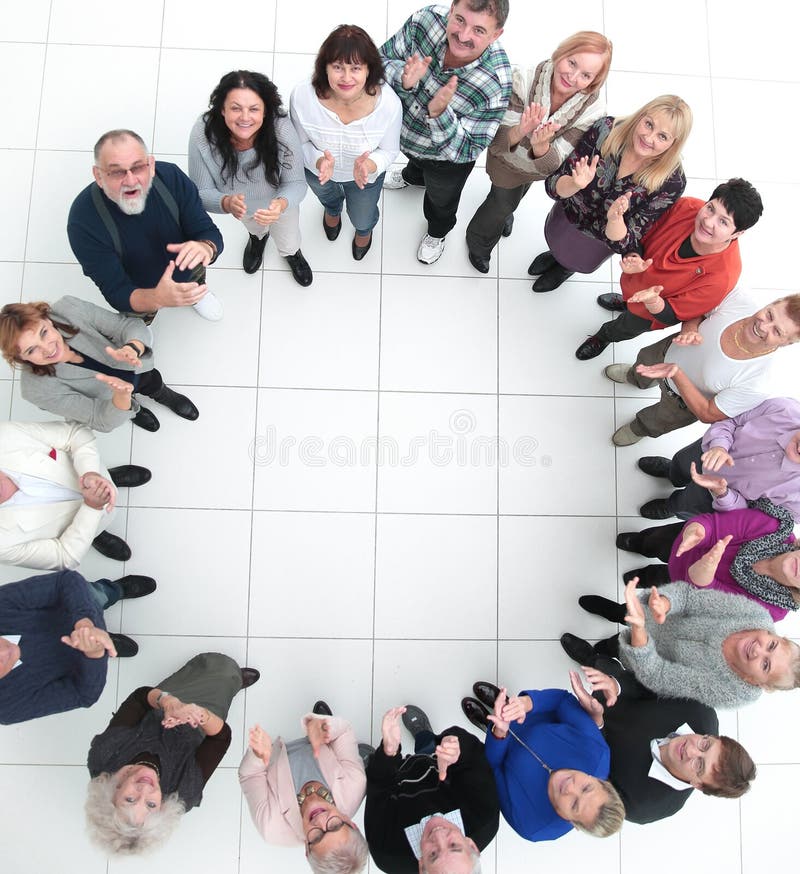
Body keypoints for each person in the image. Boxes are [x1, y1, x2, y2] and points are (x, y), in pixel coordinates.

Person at [465, 30, 613, 273]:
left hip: (535, 171)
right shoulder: (523, 79)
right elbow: (496, 141)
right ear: (561, 53)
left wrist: (540, 147)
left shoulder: (592, 111)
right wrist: (521, 130)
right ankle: (478, 243)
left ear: (594, 81)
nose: (573, 77)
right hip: (506, 163)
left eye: (586, 75)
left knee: (517, 193)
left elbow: (552, 166)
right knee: (501, 203)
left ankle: (507, 210)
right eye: (572, 63)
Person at [85, 653, 259, 855]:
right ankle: (231, 682)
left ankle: (207, 677)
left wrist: (167, 702)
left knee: (196, 675)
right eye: (151, 804)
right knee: (225, 673)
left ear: (113, 794)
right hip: (198, 726)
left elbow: (140, 698)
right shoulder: (183, 793)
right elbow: (221, 739)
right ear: (161, 808)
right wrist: (200, 715)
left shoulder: (104, 756)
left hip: (159, 707)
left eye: (130, 799)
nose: (145, 789)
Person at [380, 0, 511, 264]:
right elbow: (379, 60)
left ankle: (437, 233)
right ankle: (411, 177)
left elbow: (467, 150)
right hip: (403, 135)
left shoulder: (496, 83)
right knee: (414, 167)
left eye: (479, 30)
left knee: (441, 202)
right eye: (460, 20)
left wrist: (439, 114)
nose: (463, 36)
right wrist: (403, 78)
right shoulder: (425, 20)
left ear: (496, 34)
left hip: (444, 161)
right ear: (451, 9)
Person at [576, 178, 764, 359]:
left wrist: (653, 302)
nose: (708, 222)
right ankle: (625, 302)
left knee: (626, 326)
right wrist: (633, 256)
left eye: (723, 222)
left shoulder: (723, 277)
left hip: (652, 310)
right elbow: (641, 232)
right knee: (630, 298)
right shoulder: (686, 207)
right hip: (636, 278)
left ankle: (603, 337)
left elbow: (672, 315)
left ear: (737, 234)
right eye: (710, 208)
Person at [530, 95, 691, 293]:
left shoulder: (672, 182)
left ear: (674, 144)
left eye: (662, 136)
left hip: (598, 242)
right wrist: (574, 183)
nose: (649, 138)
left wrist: (615, 219)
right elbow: (553, 185)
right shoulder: (605, 130)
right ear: (640, 116)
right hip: (568, 216)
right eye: (649, 124)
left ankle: (565, 270)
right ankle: (555, 255)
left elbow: (627, 241)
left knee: (574, 260)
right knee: (556, 241)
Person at [566, 578, 800, 709]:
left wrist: (638, 635)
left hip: (651, 655)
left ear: (759, 683)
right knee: (627, 612)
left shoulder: (734, 693)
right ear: (777, 636)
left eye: (765, 665)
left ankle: (601, 652)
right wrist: (665, 603)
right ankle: (613, 612)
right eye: (771, 645)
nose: (758, 649)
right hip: (660, 615)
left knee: (616, 648)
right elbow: (690, 598)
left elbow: (659, 675)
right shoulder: (757, 617)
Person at [67, 129, 225, 321]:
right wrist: (157, 298)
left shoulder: (171, 177)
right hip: (138, 292)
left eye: (138, 168)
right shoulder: (82, 221)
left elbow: (206, 230)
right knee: (139, 322)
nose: (130, 180)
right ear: (99, 176)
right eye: (117, 172)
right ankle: (144, 324)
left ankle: (196, 295)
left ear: (151, 166)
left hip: (186, 269)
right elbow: (117, 290)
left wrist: (205, 247)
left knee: (195, 280)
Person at [606, 290, 800, 446]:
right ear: (772, 303)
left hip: (682, 403)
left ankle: (638, 428)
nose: (763, 327)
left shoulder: (759, 382)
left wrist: (676, 374)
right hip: (666, 351)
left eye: (777, 331)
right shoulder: (737, 298)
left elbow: (708, 414)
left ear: (788, 343)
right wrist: (690, 330)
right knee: (643, 364)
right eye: (769, 314)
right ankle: (635, 377)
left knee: (659, 420)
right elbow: (697, 308)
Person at [567, 664, 755, 823]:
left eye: (699, 765)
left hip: (580, 742)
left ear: (698, 785)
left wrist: (596, 723)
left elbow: (595, 776)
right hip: (613, 693)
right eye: (705, 745)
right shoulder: (700, 711)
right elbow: (651, 684)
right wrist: (616, 686)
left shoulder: (643, 805)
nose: (690, 749)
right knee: (600, 662)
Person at [0, 297, 198, 435]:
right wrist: (121, 397)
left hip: (134, 366)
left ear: (47, 319)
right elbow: (99, 418)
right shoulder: (36, 390)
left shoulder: (68, 309)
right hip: (109, 399)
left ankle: (162, 394)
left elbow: (127, 326)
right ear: (20, 358)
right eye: (31, 350)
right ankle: (135, 411)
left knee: (152, 382)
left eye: (43, 333)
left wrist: (133, 347)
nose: (47, 348)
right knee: (123, 408)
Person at [460, 681, 624, 842]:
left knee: (491, 740)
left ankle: (488, 724)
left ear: (573, 823)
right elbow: (562, 701)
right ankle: (509, 706)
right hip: (527, 717)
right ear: (598, 779)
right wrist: (526, 703)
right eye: (586, 787)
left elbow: (491, 772)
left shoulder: (530, 826)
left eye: (574, 804)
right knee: (513, 707)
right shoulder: (597, 752)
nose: (570, 787)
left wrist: (499, 733)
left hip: (499, 751)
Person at [189, 70, 312, 284]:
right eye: (235, 108)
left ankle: (292, 254)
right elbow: (200, 191)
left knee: (289, 237)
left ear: (265, 111)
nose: (245, 118)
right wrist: (226, 203)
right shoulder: (203, 132)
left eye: (254, 109)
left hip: (280, 204)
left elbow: (296, 183)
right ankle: (258, 239)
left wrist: (280, 204)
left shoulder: (281, 127)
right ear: (222, 109)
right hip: (240, 207)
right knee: (255, 228)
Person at [291, 25, 402, 261]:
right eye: (338, 67)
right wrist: (319, 161)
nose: (346, 78)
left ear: (369, 70)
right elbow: (298, 143)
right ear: (325, 67)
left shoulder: (389, 105)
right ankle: (333, 210)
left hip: (364, 177)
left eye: (355, 68)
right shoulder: (302, 96)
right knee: (327, 197)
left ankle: (364, 231)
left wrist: (369, 165)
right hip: (318, 171)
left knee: (363, 216)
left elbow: (390, 149)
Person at [0, 569, 148, 724]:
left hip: (77, 609)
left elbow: (64, 581)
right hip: (83, 659)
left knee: (97, 595)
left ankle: (115, 590)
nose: (3, 652)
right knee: (97, 655)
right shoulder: (6, 707)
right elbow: (84, 695)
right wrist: (95, 654)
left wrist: (84, 620)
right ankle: (105, 644)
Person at [365, 704, 499, 873]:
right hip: (437, 764)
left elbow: (377, 790)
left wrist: (387, 752)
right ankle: (424, 735)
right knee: (428, 746)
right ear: (471, 845)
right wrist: (455, 751)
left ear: (421, 866)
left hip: (396, 785)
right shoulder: (485, 817)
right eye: (454, 845)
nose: (438, 835)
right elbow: (474, 756)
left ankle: (375, 758)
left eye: (433, 854)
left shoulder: (387, 853)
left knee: (376, 768)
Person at [616, 498, 799, 622]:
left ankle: (645, 576)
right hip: (685, 542)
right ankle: (641, 543)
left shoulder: (773, 610)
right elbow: (715, 525)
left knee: (662, 579)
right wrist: (698, 531)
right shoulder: (774, 528)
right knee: (656, 541)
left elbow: (712, 602)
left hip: (686, 587)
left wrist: (704, 572)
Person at [239, 700, 369, 871]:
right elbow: (344, 731)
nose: (320, 820)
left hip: (275, 758)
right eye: (334, 826)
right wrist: (325, 728)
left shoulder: (271, 827)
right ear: (350, 823)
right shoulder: (356, 784)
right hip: (318, 744)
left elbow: (249, 776)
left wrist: (258, 757)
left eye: (317, 837)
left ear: (307, 850)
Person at [0, 419, 151, 565]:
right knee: (87, 533)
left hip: (92, 472)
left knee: (103, 476)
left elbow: (75, 433)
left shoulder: (5, 435)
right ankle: (97, 535)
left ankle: (112, 478)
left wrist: (90, 472)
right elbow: (65, 557)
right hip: (79, 528)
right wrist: (92, 509)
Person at [635, 396, 800, 520]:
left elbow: (753, 518)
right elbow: (730, 418)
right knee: (681, 463)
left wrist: (723, 494)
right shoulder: (784, 408)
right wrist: (719, 445)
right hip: (706, 451)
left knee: (686, 505)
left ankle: (671, 507)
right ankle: (672, 472)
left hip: (718, 496)